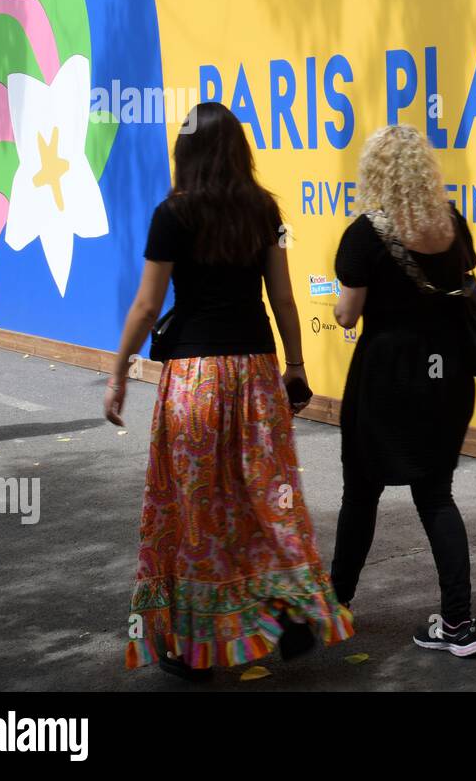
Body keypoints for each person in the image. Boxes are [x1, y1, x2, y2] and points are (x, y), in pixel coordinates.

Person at [105, 102, 352, 681]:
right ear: (239, 151)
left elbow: (147, 306)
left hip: (194, 380)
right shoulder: (265, 210)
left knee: (194, 508)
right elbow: (284, 298)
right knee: (265, 497)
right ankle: (290, 611)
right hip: (256, 375)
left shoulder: (173, 215)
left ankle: (196, 647)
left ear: (185, 153)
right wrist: (295, 365)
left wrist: (117, 371)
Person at [330, 125, 476, 658]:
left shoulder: (364, 235)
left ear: (376, 172)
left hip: (385, 382)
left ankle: (337, 606)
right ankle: (460, 624)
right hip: (446, 380)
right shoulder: (452, 224)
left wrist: (341, 307)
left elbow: (347, 314)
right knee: (436, 496)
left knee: (360, 495)